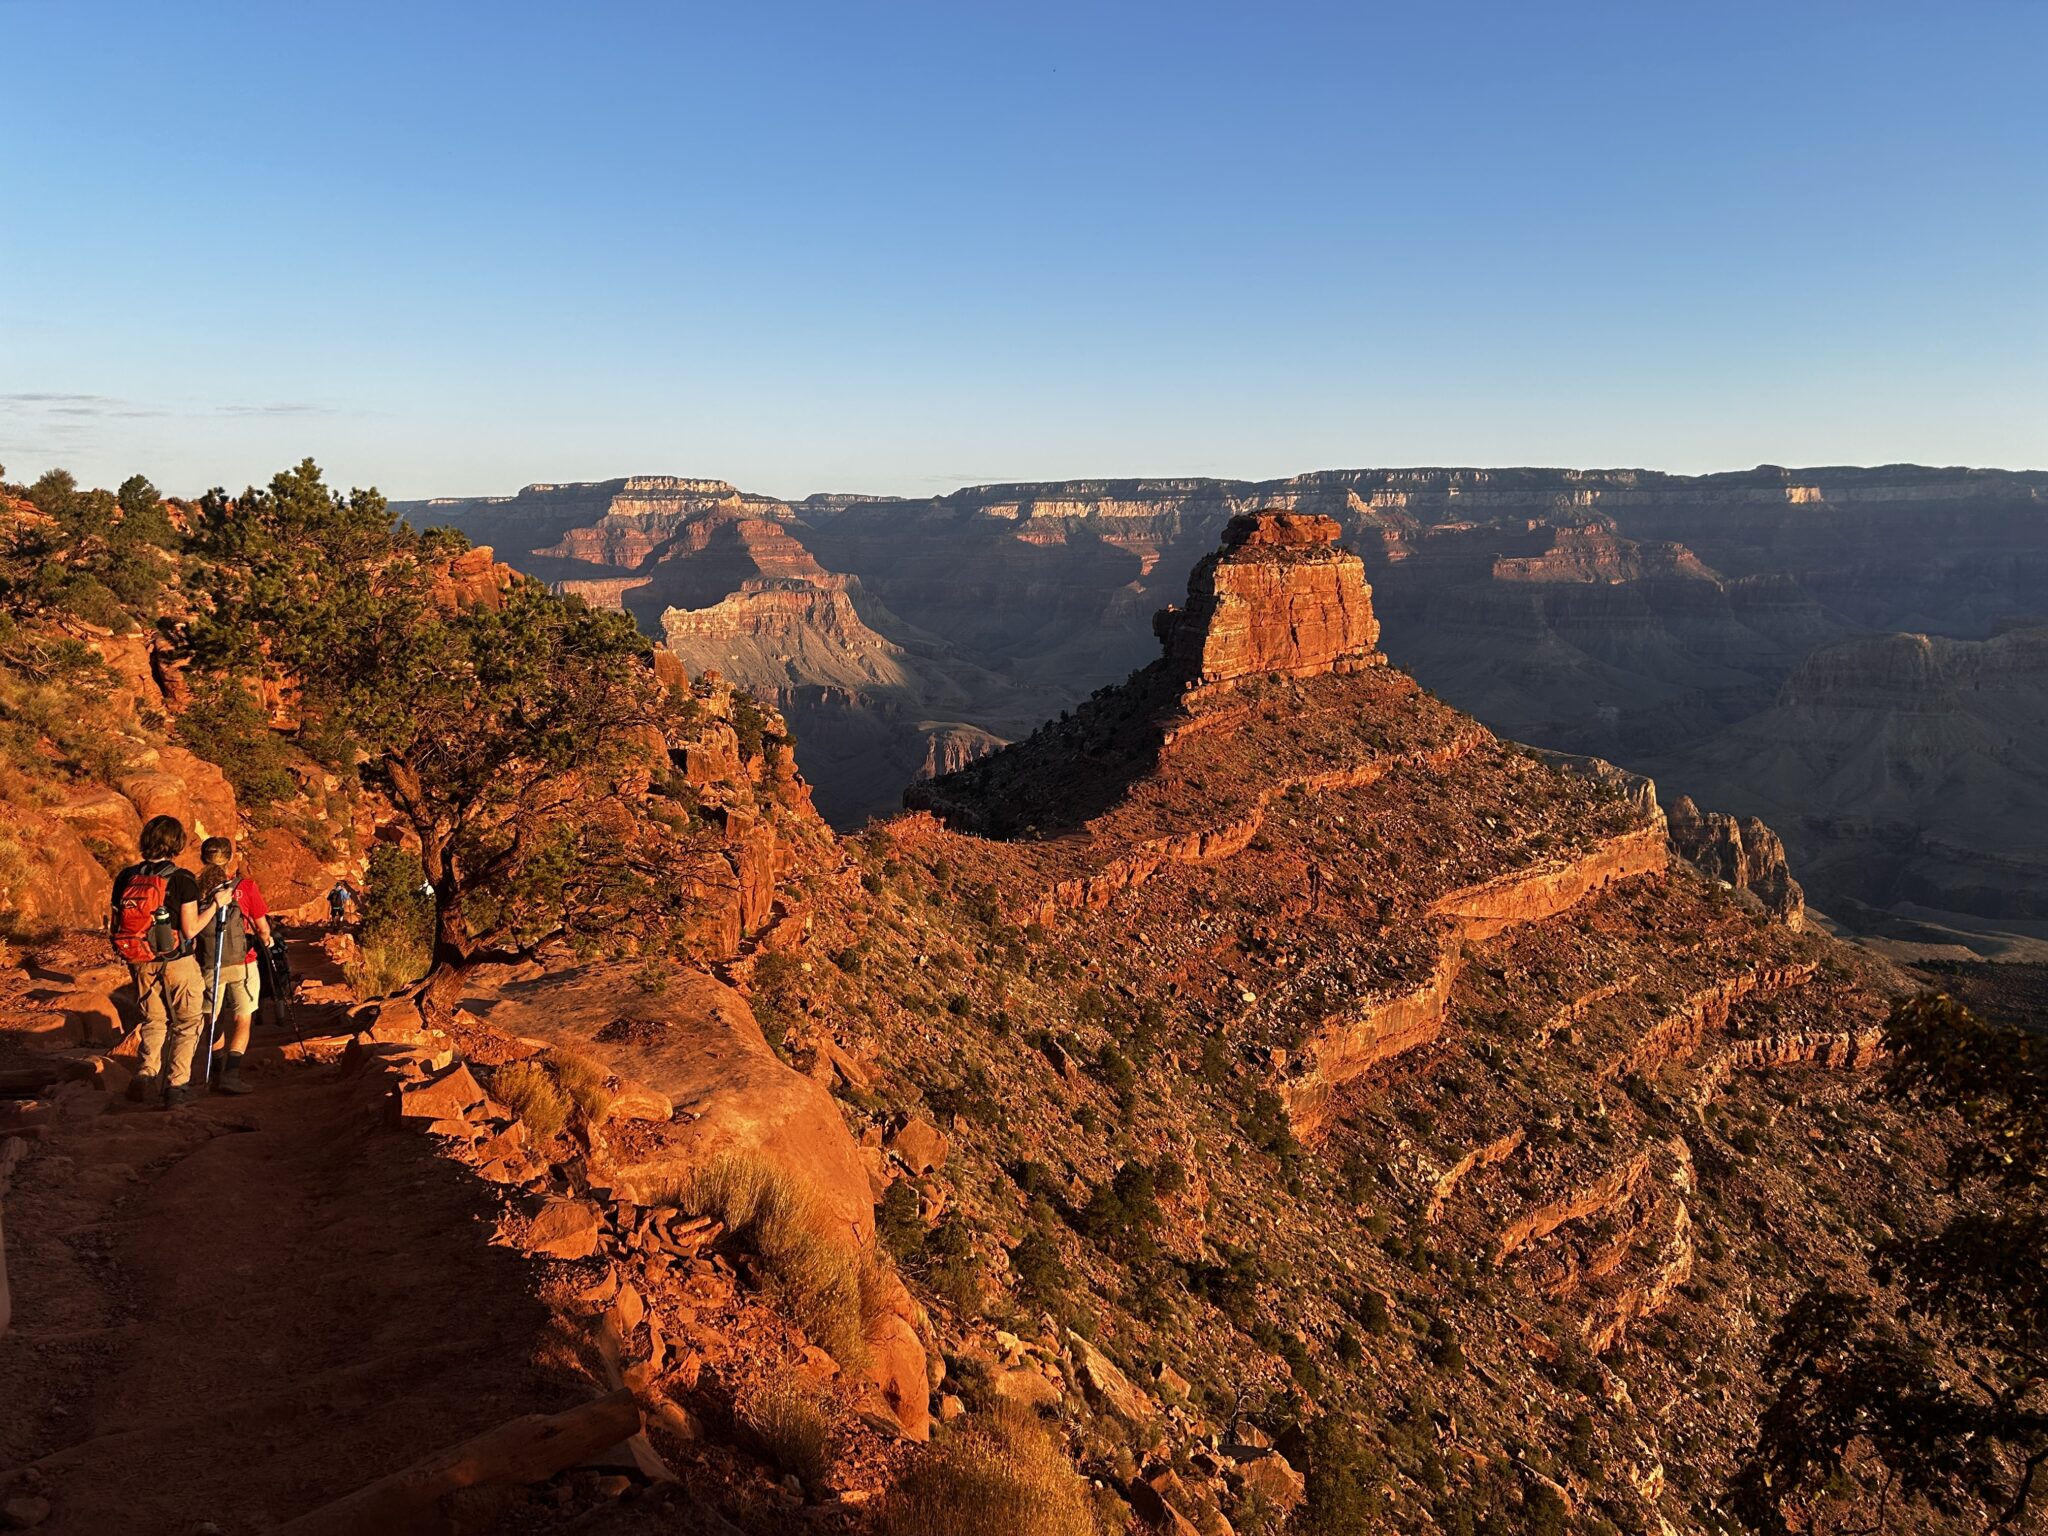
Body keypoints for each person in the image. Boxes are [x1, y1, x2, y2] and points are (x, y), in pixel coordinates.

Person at [109, 815, 205, 1108]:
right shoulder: (182, 879)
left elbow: (116, 921)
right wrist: (215, 906)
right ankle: (176, 1087)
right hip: (177, 961)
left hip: (138, 958)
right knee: (188, 1022)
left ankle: (145, 1073)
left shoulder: (126, 877)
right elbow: (190, 929)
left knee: (153, 1019)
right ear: (176, 844)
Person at [195, 836, 274, 1096]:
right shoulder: (245, 886)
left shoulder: (196, 888)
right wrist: (266, 941)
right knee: (243, 1016)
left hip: (208, 962)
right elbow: (262, 928)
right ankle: (231, 1074)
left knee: (212, 1017)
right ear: (230, 857)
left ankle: (215, 1072)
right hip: (244, 961)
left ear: (203, 858)